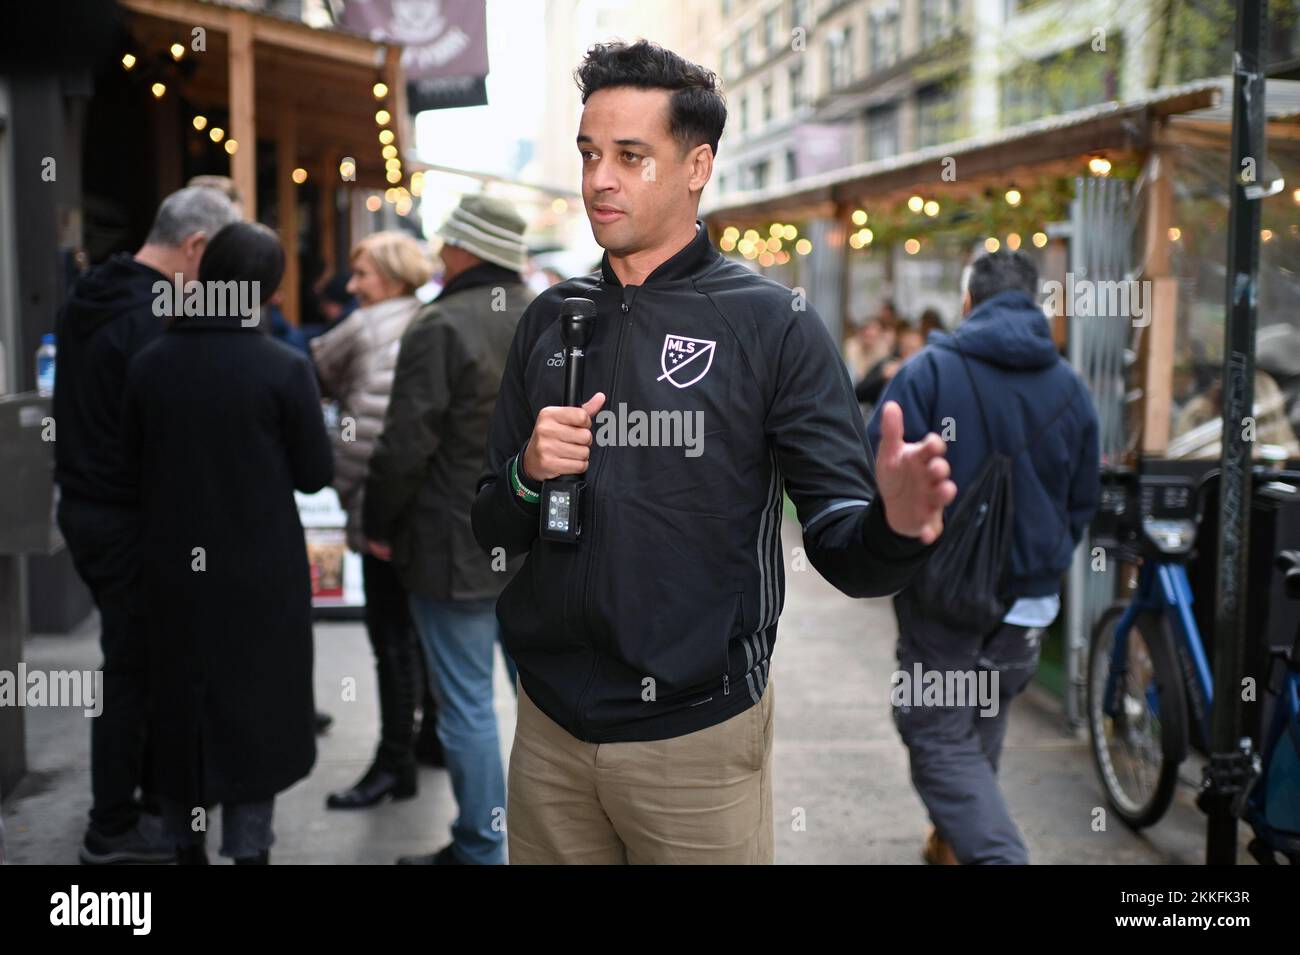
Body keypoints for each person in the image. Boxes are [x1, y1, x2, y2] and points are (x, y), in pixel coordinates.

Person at [470, 40, 954, 865]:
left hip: (693, 746)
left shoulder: (773, 324)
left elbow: (841, 540)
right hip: (548, 730)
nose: (598, 180)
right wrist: (526, 475)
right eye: (590, 154)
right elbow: (486, 526)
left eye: (630, 156)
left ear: (696, 166)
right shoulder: (550, 316)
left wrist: (896, 529)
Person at [866, 250, 1100, 865]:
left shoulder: (927, 373)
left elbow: (877, 474)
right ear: (1035, 306)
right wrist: (1038, 567)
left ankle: (997, 857)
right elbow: (1083, 501)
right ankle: (950, 842)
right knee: (980, 719)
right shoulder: (1071, 387)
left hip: (942, 592)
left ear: (969, 302)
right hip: (1029, 604)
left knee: (936, 731)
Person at [119, 221, 334, 864]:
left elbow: (128, 466)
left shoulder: (151, 364)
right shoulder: (283, 368)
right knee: (256, 714)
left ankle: (183, 844)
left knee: (181, 707)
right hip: (260, 576)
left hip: (170, 571)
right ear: (268, 289)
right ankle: (249, 852)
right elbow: (314, 472)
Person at [54, 185, 239, 864]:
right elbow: (170, 438)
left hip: (88, 507)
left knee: (136, 663)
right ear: (194, 247)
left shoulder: (96, 289)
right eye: (216, 264)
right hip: (128, 518)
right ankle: (112, 826)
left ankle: (152, 802)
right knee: (136, 672)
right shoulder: (151, 318)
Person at [364, 196, 532, 865]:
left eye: (447, 241)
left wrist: (378, 524)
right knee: (544, 702)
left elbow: (406, 443)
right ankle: (551, 840)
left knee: (466, 706)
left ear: (467, 250)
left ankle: (481, 845)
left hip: (451, 543)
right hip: (534, 541)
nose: (438, 251)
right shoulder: (544, 312)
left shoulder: (440, 325)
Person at [310, 231, 435, 810]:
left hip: (380, 506)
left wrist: (339, 488)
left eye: (362, 273)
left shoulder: (359, 327)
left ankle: (393, 763)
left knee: (390, 643)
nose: (353, 285)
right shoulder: (431, 320)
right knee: (423, 634)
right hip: (427, 506)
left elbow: (316, 373)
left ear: (387, 275)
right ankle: (427, 741)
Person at [856, 320, 924, 407]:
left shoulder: (925, 372)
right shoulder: (888, 364)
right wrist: (881, 377)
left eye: (913, 349)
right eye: (905, 348)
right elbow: (859, 392)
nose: (908, 353)